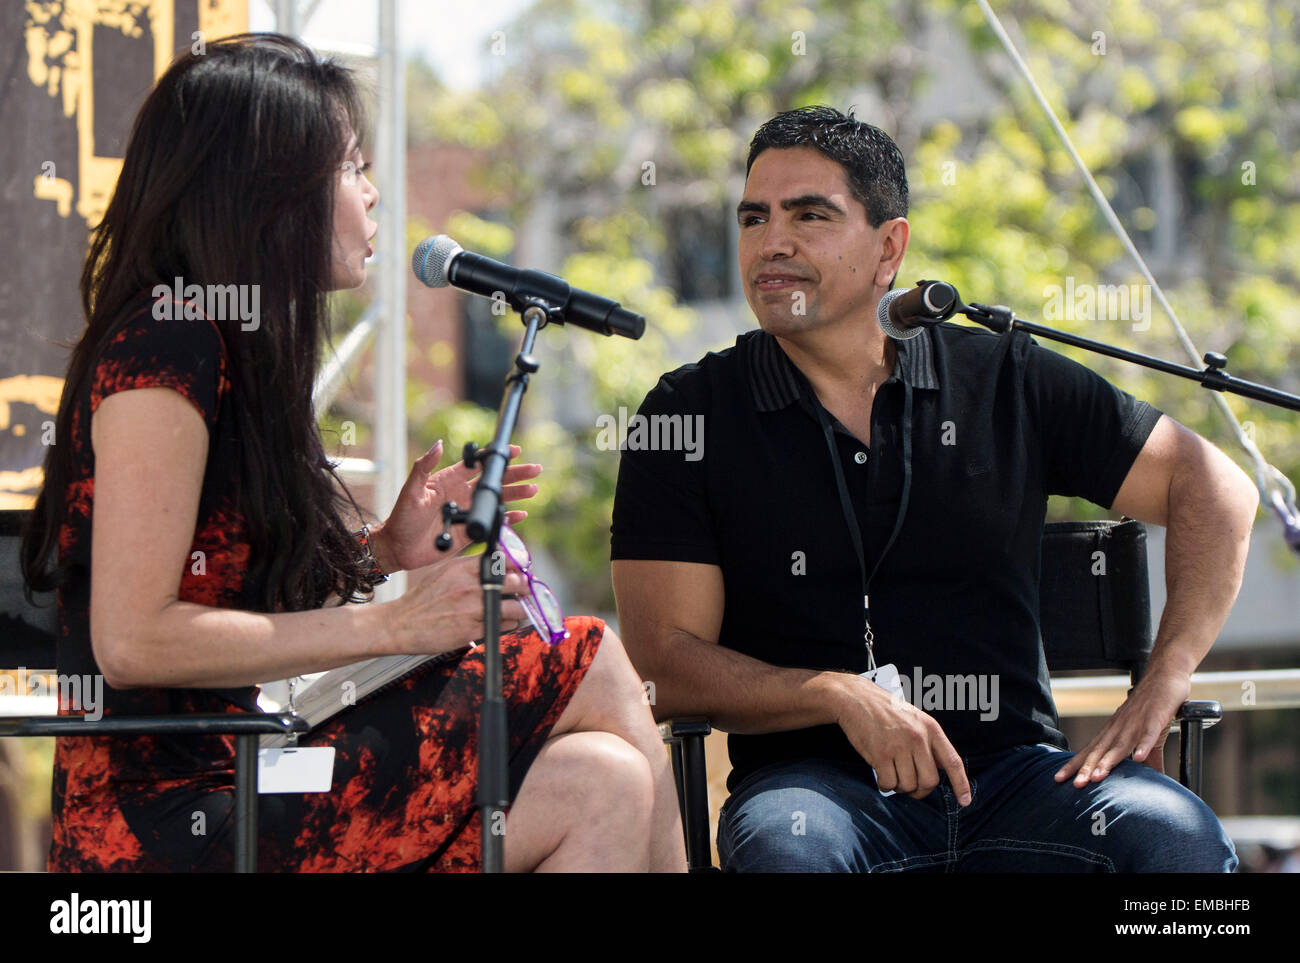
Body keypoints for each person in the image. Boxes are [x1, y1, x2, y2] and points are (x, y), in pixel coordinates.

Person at [21, 33, 684, 873]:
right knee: (584, 654)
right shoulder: (168, 344)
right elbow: (133, 640)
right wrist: (397, 620)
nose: (374, 196)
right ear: (272, 191)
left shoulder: (230, 345)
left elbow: (224, 588)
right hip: (163, 820)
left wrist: (383, 554)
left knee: (604, 783)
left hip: (247, 768)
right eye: (352, 169)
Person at [611, 105, 1256, 872]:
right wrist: (838, 695)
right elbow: (661, 663)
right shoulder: (688, 412)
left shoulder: (1004, 377)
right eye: (755, 217)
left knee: (1176, 842)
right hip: (813, 794)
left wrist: (1165, 679)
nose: (771, 242)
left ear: (891, 247)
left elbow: (1213, 487)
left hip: (1022, 780)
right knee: (788, 854)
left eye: (809, 214)